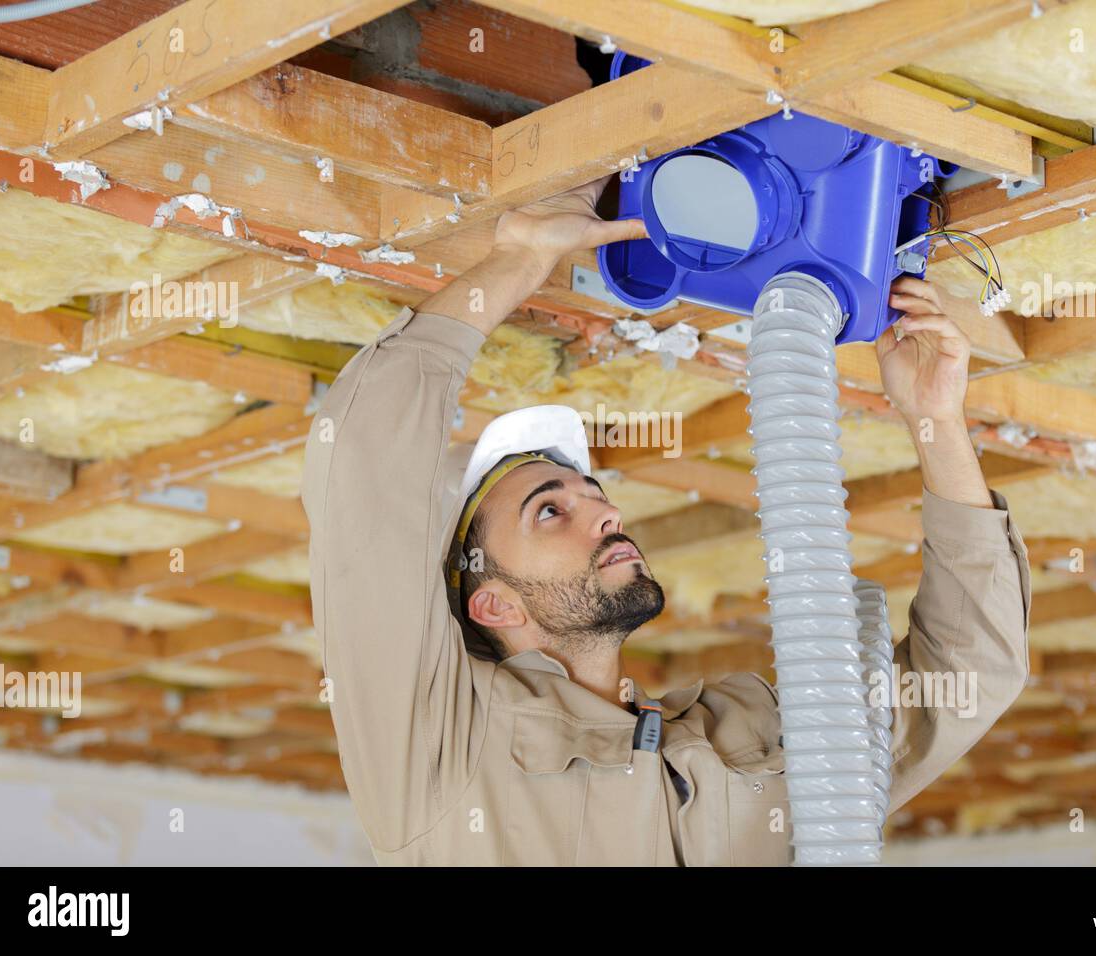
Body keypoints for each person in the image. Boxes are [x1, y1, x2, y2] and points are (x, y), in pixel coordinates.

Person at [301, 178, 1031, 865]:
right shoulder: (443, 740)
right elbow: (970, 672)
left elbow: (365, 447)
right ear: (490, 599)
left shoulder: (751, 728)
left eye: (588, 496)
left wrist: (522, 257)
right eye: (552, 508)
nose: (608, 511)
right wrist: (938, 421)